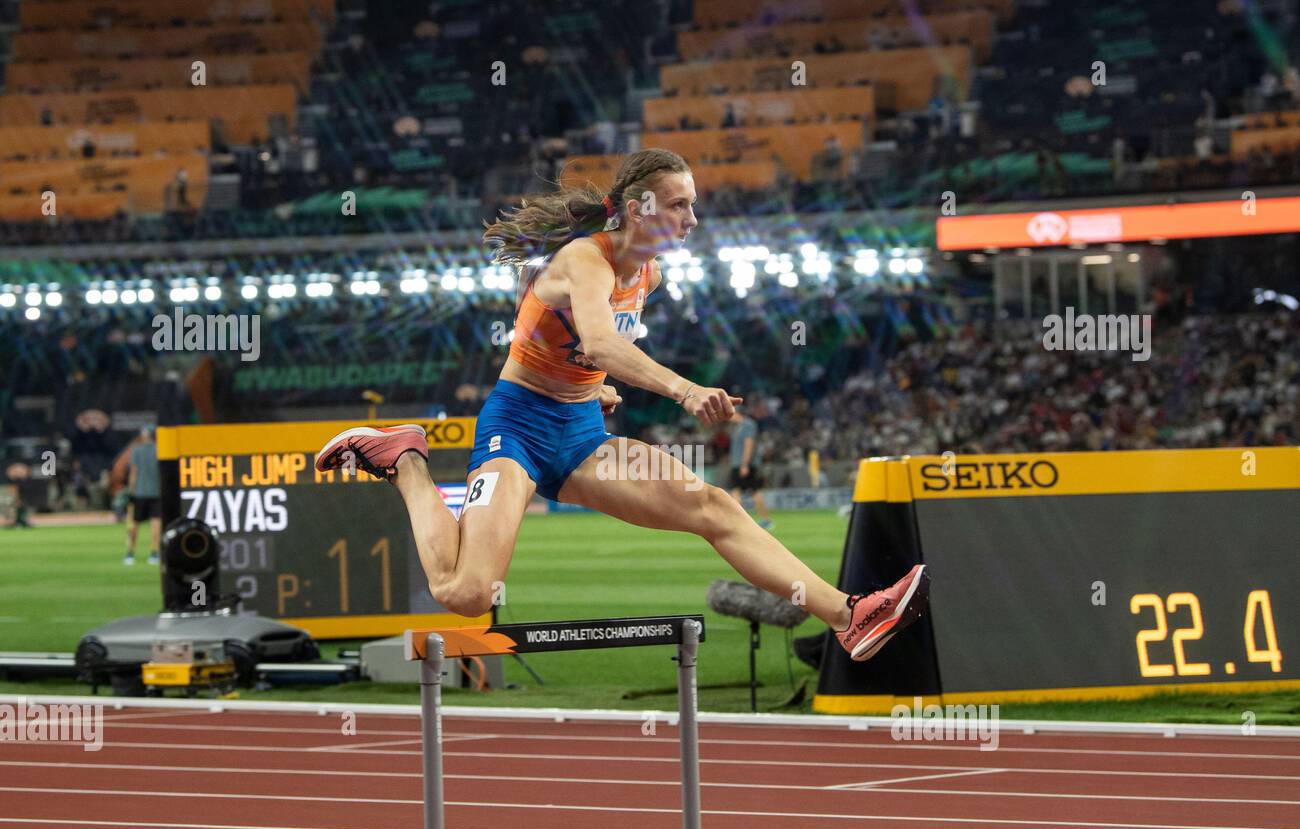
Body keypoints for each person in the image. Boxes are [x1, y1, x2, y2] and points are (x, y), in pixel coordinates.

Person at [315, 148, 929, 662]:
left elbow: (592, 346)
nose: (694, 217)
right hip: (518, 427)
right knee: (468, 593)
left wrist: (595, 383)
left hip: (582, 433)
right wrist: (682, 388)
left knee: (711, 506)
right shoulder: (585, 257)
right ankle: (406, 461)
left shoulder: (650, 275)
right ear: (640, 208)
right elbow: (603, 338)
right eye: (681, 203)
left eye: (693, 203)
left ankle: (848, 615)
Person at [728, 398, 773, 530]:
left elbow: (749, 444)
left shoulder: (748, 425)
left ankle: (738, 520)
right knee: (748, 491)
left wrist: (745, 464)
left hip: (744, 464)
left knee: (739, 491)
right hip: (740, 463)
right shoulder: (740, 426)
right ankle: (763, 519)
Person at [124, 427, 161, 565]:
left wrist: (131, 491)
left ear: (143, 436)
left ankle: (129, 553)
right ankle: (154, 553)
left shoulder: (137, 450)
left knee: (134, 524)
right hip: (156, 492)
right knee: (156, 523)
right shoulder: (159, 449)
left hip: (139, 492)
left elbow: (134, 473)